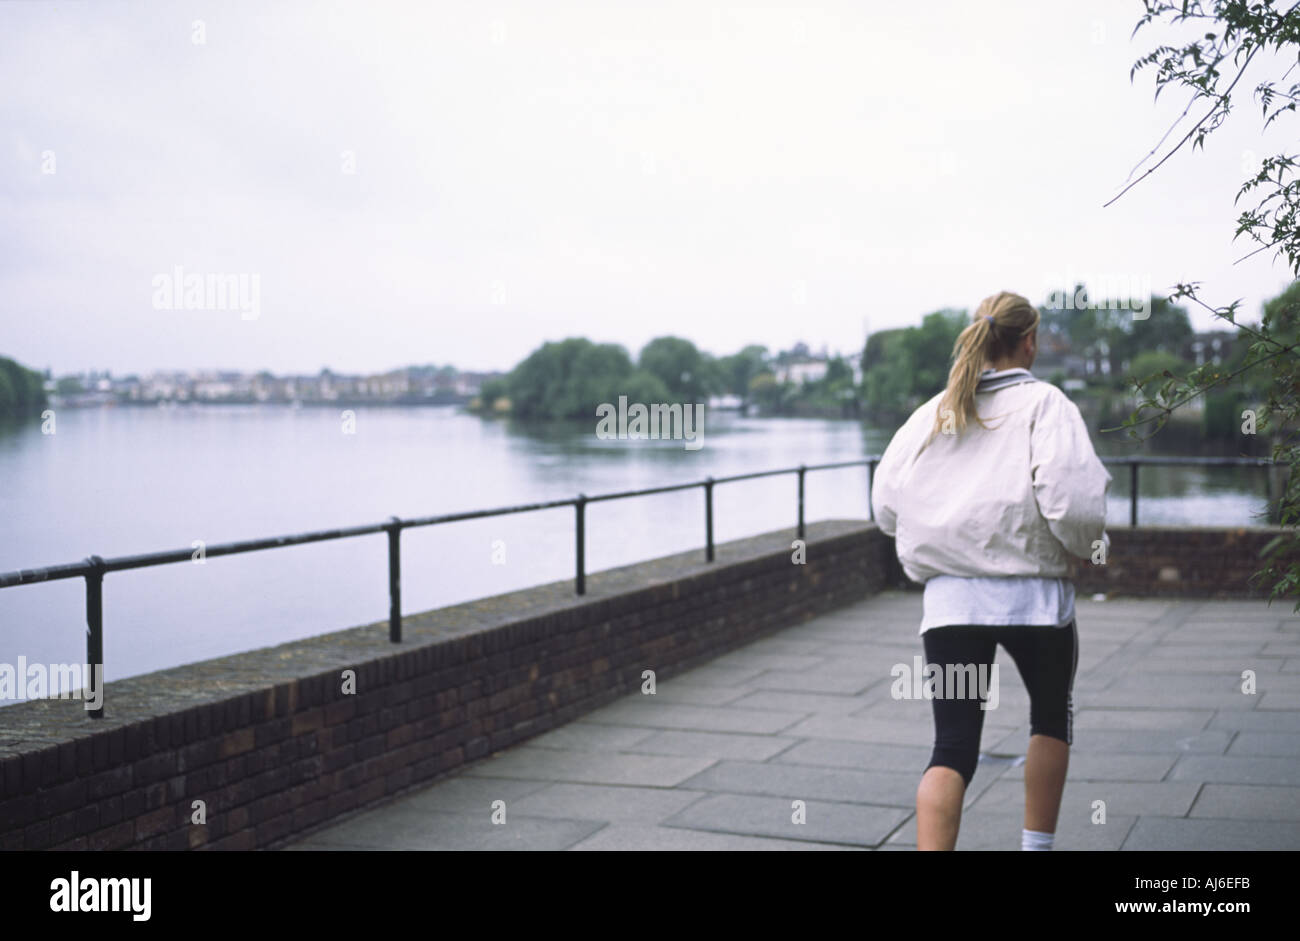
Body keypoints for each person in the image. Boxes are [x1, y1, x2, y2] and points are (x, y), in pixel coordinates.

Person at [870, 290, 1110, 851]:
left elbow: (884, 504)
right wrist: (1080, 546)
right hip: (1037, 601)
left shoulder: (935, 411)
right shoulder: (1047, 405)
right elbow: (1073, 505)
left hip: (953, 603)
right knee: (1051, 720)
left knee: (951, 747)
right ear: (1029, 341)